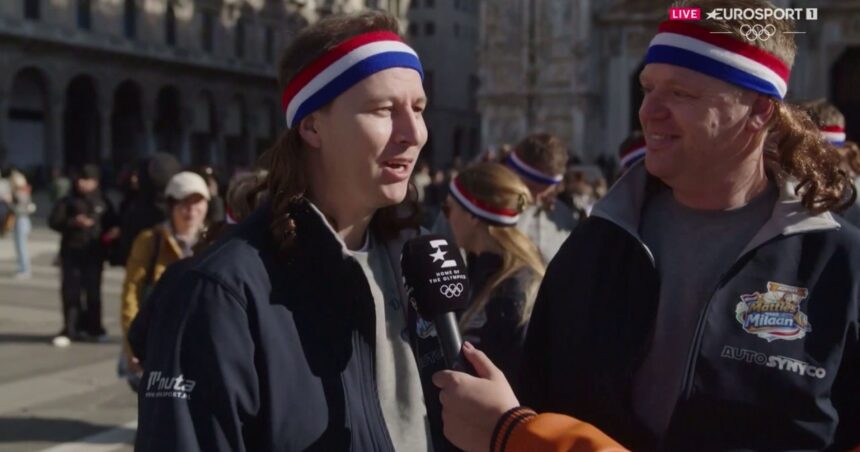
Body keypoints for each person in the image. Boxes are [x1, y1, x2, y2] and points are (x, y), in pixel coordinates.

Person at [433, 1, 860, 450]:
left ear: (759, 111)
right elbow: (541, 396)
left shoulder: (837, 266)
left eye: (680, 93)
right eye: (647, 88)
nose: (647, 111)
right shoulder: (596, 245)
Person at [135, 11, 447, 451]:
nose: (413, 133)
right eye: (383, 110)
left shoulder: (416, 263)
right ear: (312, 125)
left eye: (418, 109)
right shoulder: (222, 294)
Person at [442, 163, 544, 380]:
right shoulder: (482, 270)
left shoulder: (513, 288)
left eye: (448, 209)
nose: (446, 218)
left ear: (472, 215)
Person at [120, 171, 210, 385]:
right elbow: (131, 292)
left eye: (197, 202)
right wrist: (131, 344)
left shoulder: (215, 242)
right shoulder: (150, 241)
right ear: (170, 205)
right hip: (157, 338)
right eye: (183, 203)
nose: (191, 210)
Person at [48, 165, 119, 347]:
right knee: (71, 292)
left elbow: (112, 223)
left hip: (94, 254)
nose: (83, 183)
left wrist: (110, 234)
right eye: (80, 179)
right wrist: (73, 222)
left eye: (87, 180)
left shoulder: (103, 201)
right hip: (71, 253)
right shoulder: (68, 200)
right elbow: (54, 221)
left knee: (93, 292)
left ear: (95, 182)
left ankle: (94, 328)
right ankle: (70, 329)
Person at [503, 133, 576, 263]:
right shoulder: (490, 211)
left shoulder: (563, 215)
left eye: (544, 192)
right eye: (530, 188)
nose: (535, 199)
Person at [9, 169, 35, 278]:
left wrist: (9, 202)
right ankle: (22, 267)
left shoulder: (21, 193)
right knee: (19, 246)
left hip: (21, 220)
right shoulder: (22, 192)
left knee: (21, 246)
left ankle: (25, 269)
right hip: (21, 220)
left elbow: (20, 210)